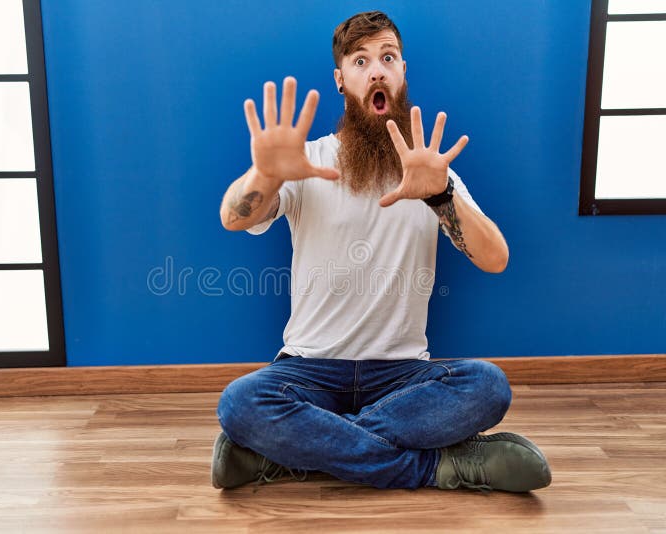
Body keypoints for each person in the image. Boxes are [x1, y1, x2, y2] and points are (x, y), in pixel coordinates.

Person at [212, 10, 551, 493]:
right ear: (341, 79)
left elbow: (495, 258)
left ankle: (293, 455)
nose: (376, 70)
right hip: (308, 369)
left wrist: (442, 196)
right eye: (361, 60)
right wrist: (266, 175)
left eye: (387, 57)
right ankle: (441, 467)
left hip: (402, 376)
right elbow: (233, 217)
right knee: (240, 403)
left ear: (402, 73)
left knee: (488, 386)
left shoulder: (432, 173)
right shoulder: (308, 162)